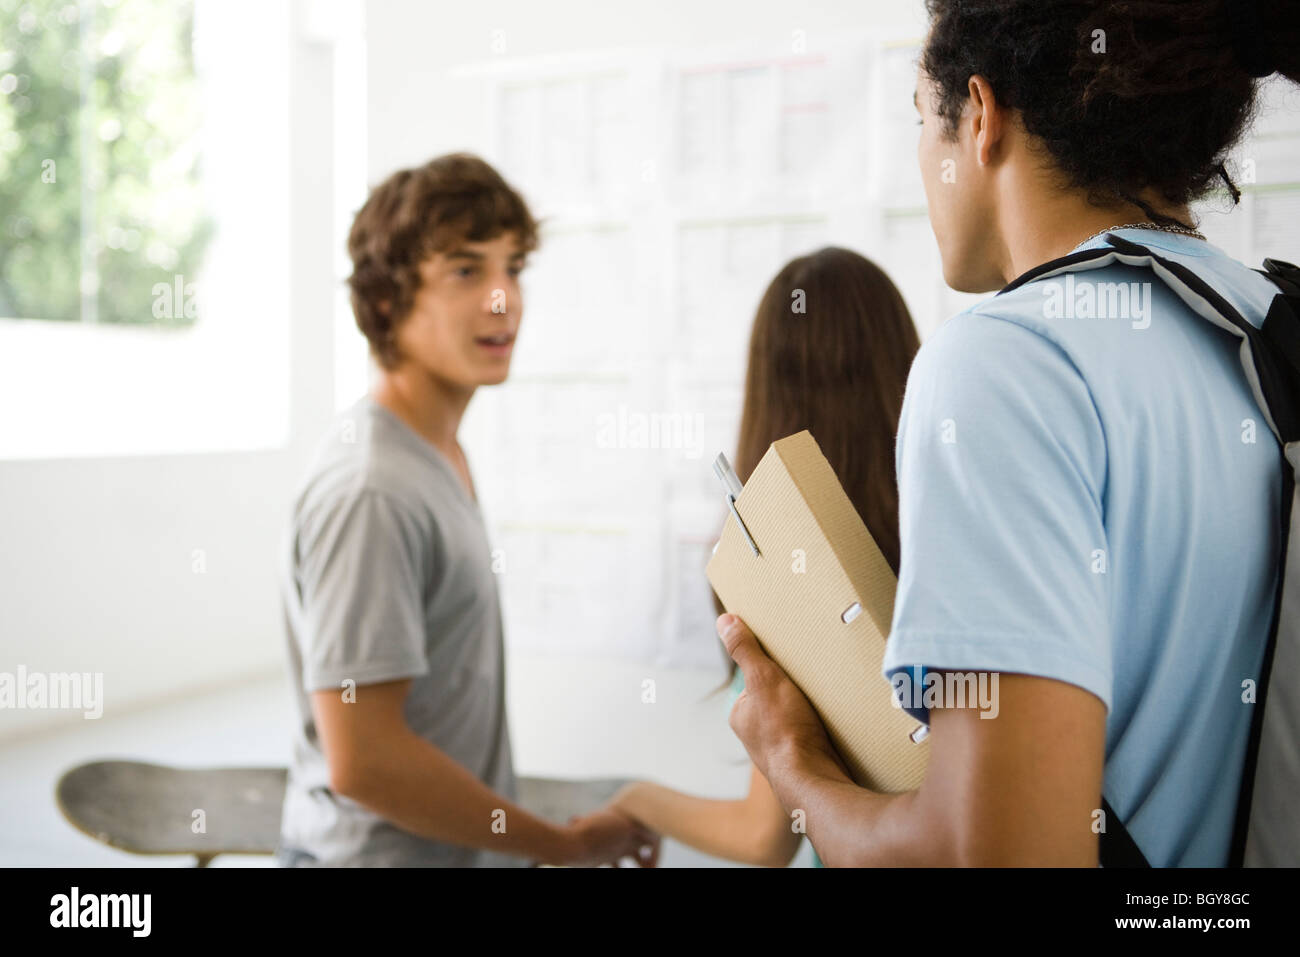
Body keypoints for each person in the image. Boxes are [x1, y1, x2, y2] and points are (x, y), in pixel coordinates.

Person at [718, 0, 1300, 866]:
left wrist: (791, 761)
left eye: (923, 118)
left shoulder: (1009, 362)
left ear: (982, 118)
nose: (922, 156)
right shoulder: (1276, 328)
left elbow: (987, 856)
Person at [276, 153, 658, 867]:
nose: (502, 298)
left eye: (513, 267)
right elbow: (365, 759)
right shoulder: (372, 489)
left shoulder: (435, 451)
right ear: (386, 299)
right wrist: (561, 845)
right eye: (466, 270)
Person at [611, 247, 920, 866]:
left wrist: (638, 800)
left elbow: (764, 837)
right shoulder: (952, 528)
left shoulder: (779, 573)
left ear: (767, 392)